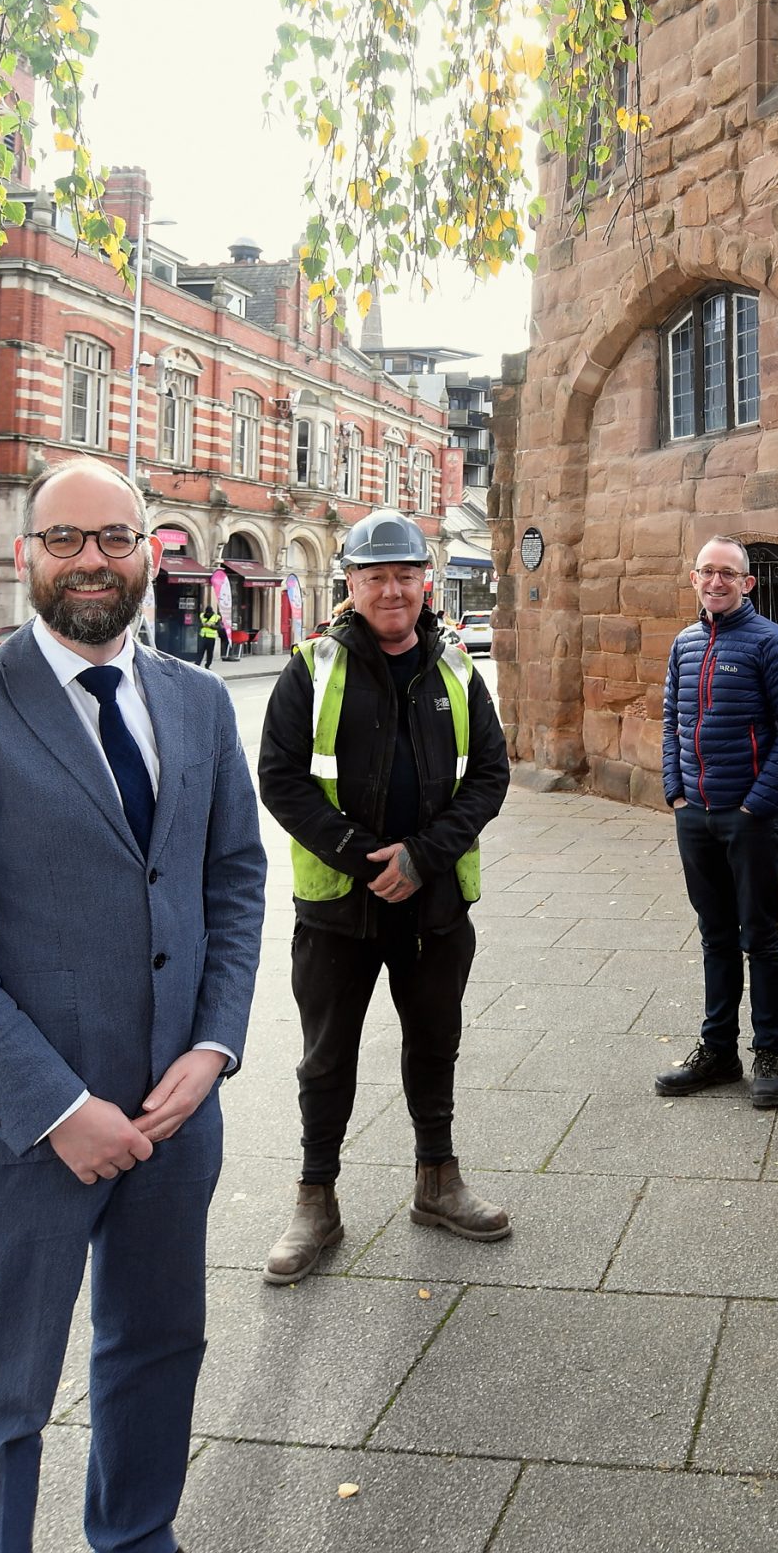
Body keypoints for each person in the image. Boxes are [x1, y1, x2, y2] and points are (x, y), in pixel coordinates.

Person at [0, 459, 265, 1553]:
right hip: (25, 1129)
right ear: (27, 554)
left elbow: (233, 878)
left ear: (150, 552)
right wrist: (58, 1107)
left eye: (115, 537)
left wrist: (212, 1045)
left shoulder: (193, 700)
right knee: (2, 1394)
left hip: (174, 1114)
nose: (92, 557)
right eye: (66, 536)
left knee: (158, 1341)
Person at [257, 508, 512, 1282]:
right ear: (352, 584)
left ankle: (437, 1179)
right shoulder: (312, 668)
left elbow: (490, 776)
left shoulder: (458, 668)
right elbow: (280, 778)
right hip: (339, 907)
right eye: (376, 577)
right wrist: (360, 856)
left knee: (434, 1044)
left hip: (433, 905)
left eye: (405, 576)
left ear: (425, 582)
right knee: (325, 1059)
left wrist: (424, 856)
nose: (392, 591)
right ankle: (315, 1200)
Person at [655, 536, 778, 1110]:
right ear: (694, 578)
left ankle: (768, 1052)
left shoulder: (771, 644)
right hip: (694, 814)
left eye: (728, 573)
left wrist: (757, 806)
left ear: (747, 583)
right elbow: (672, 719)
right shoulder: (685, 643)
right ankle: (719, 1050)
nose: (716, 582)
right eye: (707, 572)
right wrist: (675, 793)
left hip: (750, 818)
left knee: (760, 936)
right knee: (715, 936)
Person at [197, 599, 223, 670]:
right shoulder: (202, 615)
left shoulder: (216, 617)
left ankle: (208, 665)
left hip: (211, 638)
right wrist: (202, 625)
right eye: (207, 613)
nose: (207, 614)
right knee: (200, 651)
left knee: (210, 653)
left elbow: (219, 627)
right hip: (203, 636)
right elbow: (197, 624)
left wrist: (211, 626)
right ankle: (197, 664)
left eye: (209, 613)